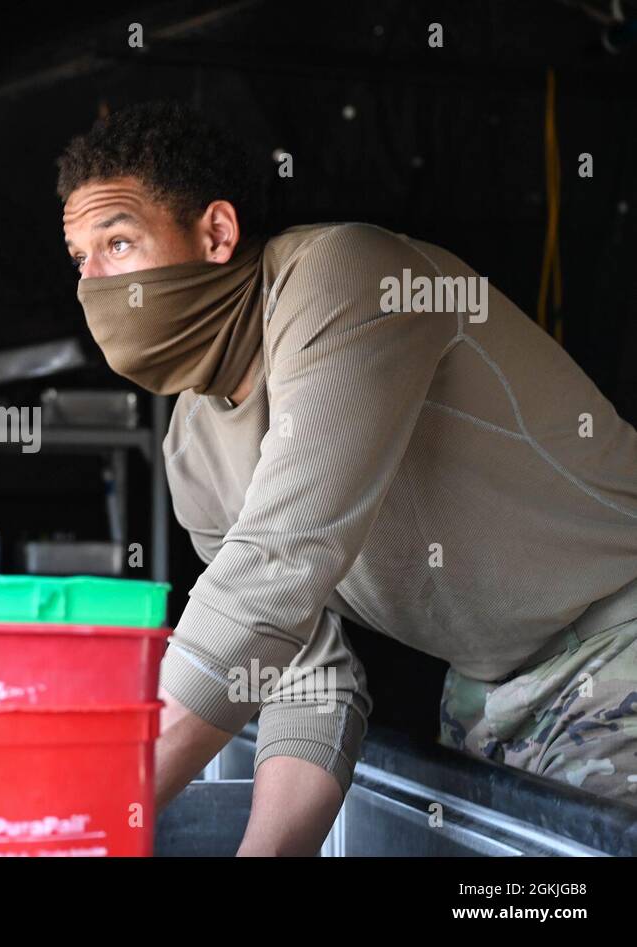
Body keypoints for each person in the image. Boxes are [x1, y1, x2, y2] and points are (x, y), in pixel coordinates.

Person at [57, 100, 637, 855]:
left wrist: (78, 824)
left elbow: (274, 567)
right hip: (484, 689)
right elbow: (305, 683)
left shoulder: (346, 274)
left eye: (119, 243)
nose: (92, 284)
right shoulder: (193, 450)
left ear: (217, 233)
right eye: (79, 259)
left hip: (617, 639)